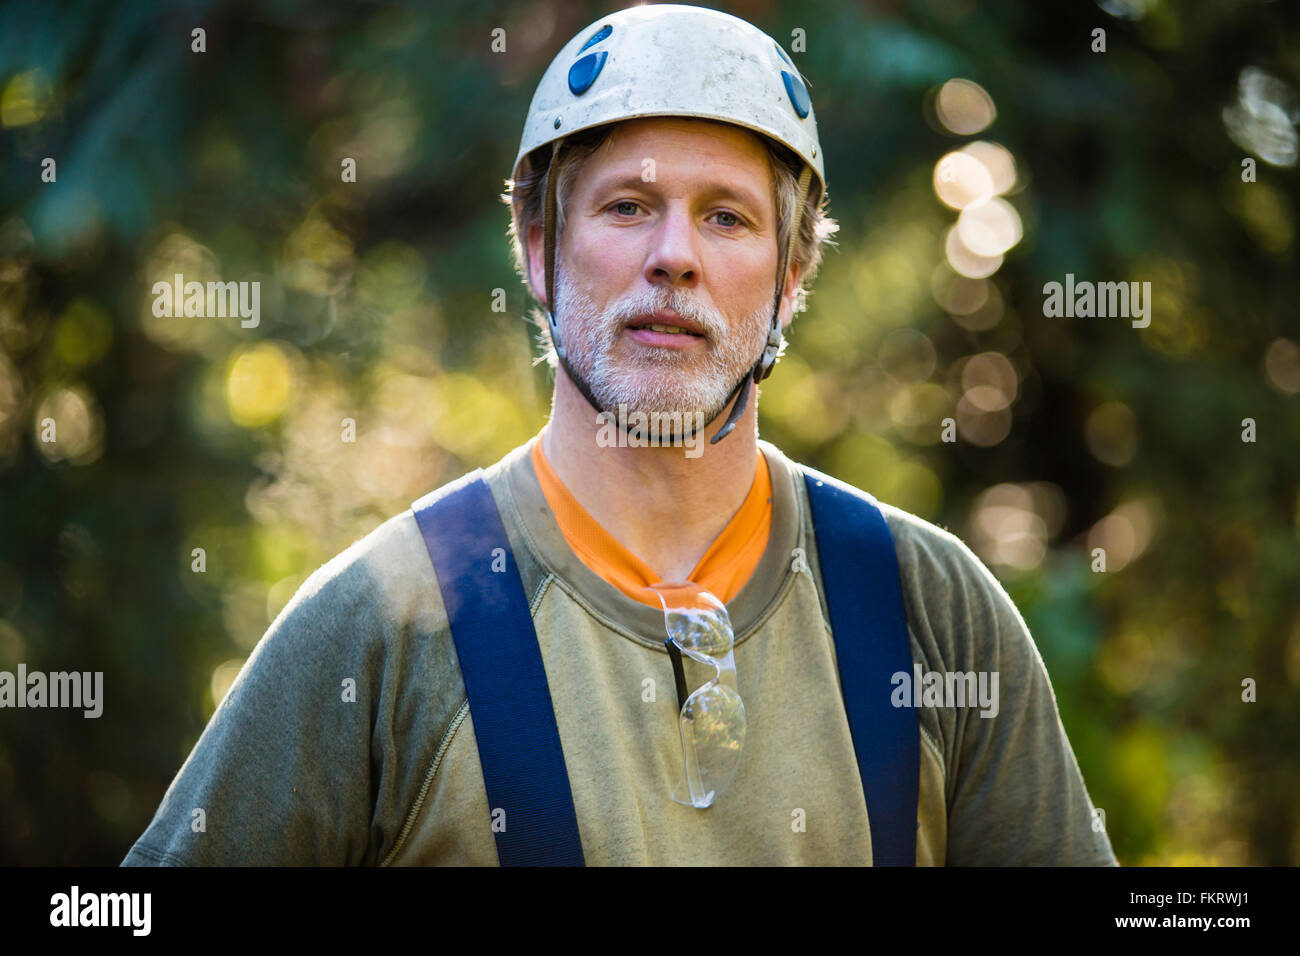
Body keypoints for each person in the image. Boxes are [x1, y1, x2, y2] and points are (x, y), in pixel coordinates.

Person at [122, 4, 1117, 866]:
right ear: (538, 249)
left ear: (793, 275)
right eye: (628, 206)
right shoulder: (382, 624)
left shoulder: (930, 611)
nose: (673, 256)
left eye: (725, 218)